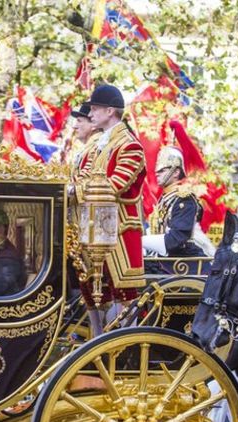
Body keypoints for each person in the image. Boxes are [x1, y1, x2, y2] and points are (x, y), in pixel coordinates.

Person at [71, 84, 146, 315]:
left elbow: (114, 186)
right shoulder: (101, 145)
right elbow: (86, 177)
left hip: (119, 234)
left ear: (110, 111)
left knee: (123, 300)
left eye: (94, 109)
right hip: (96, 228)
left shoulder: (130, 145)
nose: (90, 114)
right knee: (94, 296)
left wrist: (75, 191)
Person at [144, 121, 214, 259]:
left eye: (162, 170)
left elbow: (176, 239)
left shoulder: (184, 198)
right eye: (157, 170)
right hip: (164, 260)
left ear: (176, 172)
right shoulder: (166, 198)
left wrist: (142, 241)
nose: (157, 173)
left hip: (182, 262)